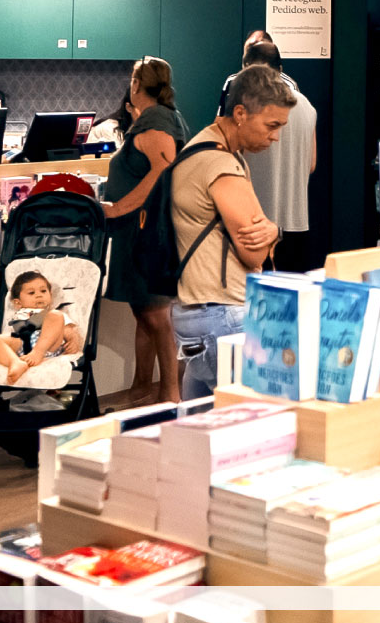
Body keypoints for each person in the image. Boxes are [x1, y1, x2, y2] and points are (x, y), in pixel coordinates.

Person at [169, 64, 297, 400]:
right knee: (245, 422)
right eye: (271, 125)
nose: (275, 136)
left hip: (198, 311)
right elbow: (254, 252)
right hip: (224, 314)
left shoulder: (199, 149)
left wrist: (270, 231)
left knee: (199, 425)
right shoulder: (222, 165)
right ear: (240, 113)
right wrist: (272, 232)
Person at [101, 57, 190, 405]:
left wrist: (119, 207)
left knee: (155, 314)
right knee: (144, 313)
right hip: (138, 231)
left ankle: (170, 393)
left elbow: (160, 174)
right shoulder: (155, 119)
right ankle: (141, 387)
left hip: (146, 232)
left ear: (137, 84)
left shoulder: (156, 123)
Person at [232, 39, 319, 272]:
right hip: (297, 223)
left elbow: (230, 158)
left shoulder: (247, 107)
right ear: (280, 70)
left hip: (254, 224)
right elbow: (311, 164)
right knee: (291, 303)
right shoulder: (307, 106)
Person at [0, 271, 83, 384]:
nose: (39, 295)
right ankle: (15, 362)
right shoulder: (20, 314)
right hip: (23, 343)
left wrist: (74, 339)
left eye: (43, 291)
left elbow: (68, 330)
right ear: (18, 303)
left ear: (50, 295)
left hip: (48, 346)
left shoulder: (53, 313)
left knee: (55, 316)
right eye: (31, 293)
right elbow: (16, 333)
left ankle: (37, 353)